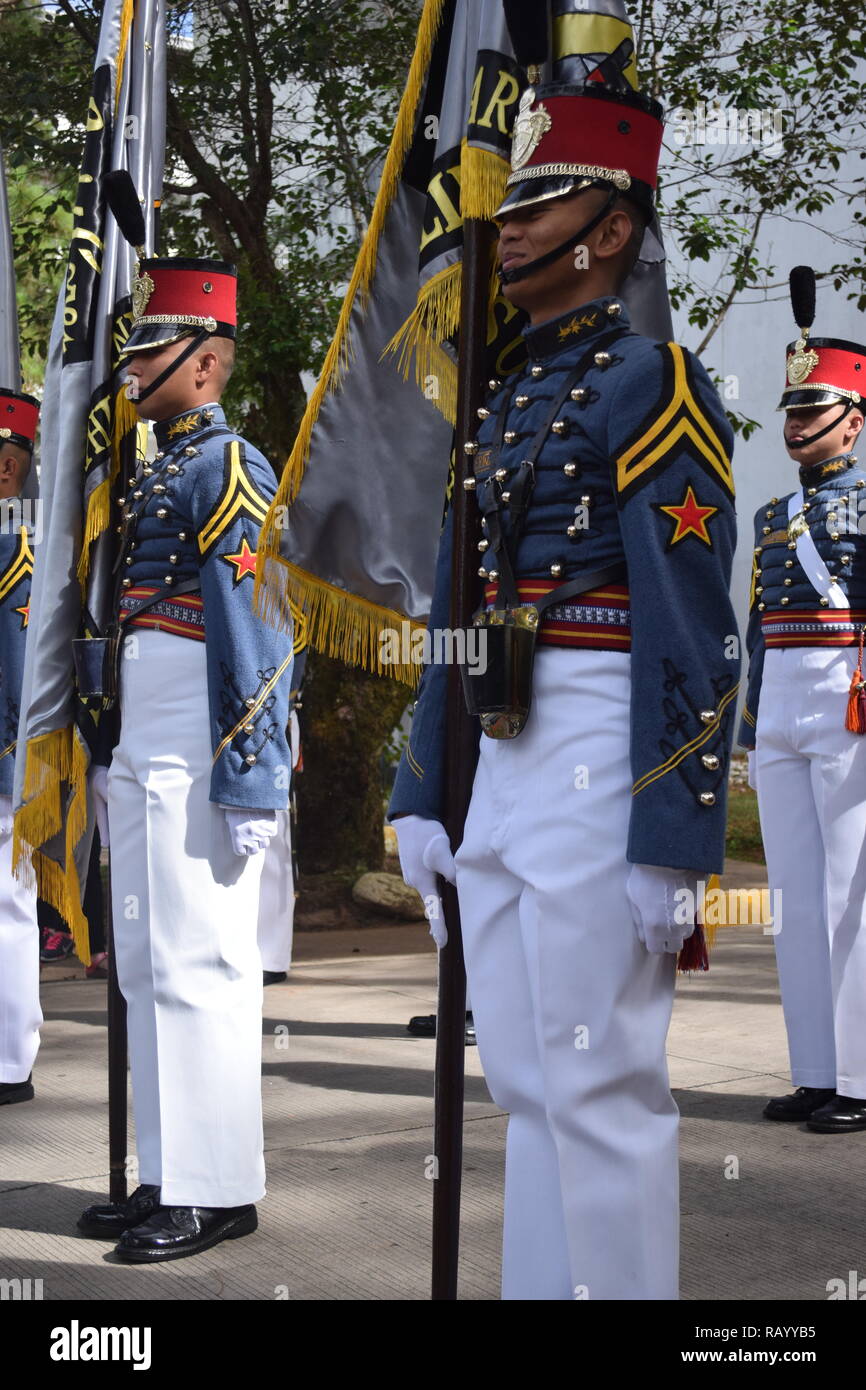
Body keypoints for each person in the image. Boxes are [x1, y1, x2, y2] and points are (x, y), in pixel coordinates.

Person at [390, 79, 739, 1300]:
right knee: (527, 1079)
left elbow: (691, 624)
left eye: (541, 201)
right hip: (501, 752)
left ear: (611, 228)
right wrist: (420, 786)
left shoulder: (654, 380)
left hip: (600, 738)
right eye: (512, 200)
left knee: (598, 1086)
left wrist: (672, 825)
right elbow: (456, 609)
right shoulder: (497, 397)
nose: (511, 223)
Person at [77, 255, 294, 1259]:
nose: (129, 368)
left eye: (149, 350)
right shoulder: (158, 466)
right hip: (147, 733)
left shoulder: (228, 464)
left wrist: (251, 770)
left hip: (198, 735)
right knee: (148, 965)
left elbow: (255, 627)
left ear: (204, 363)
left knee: (203, 959)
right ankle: (167, 1172)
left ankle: (217, 1188)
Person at [739, 267, 866, 1133]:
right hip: (783, 695)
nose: (795, 423)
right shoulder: (772, 514)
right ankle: (817, 1071)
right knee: (793, 897)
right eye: (790, 408)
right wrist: (751, 725)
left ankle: (860, 1077)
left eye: (812, 407)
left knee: (850, 893)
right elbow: (758, 627)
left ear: (853, 419)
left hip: (847, 696)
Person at [0, 387, 41, 1106]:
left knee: (6, 902)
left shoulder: (16, 540)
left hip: (4, 755)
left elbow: (17, 659)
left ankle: (8, 1059)